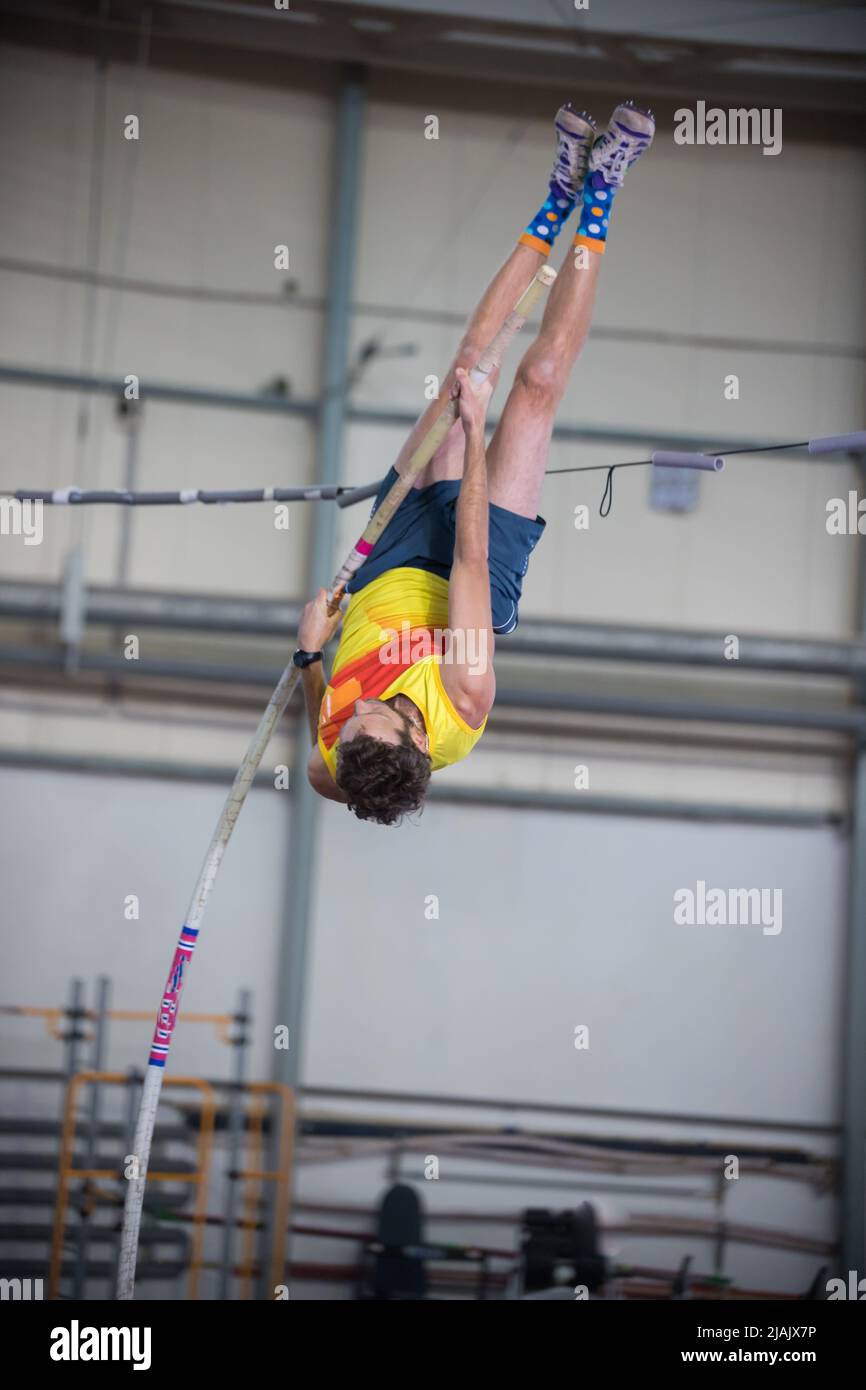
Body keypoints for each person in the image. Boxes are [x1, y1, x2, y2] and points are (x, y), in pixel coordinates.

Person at [295, 101, 654, 825]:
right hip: (475, 575)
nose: (358, 696)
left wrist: (309, 659)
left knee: (465, 368)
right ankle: (603, 193)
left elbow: (321, 760)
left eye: (349, 713)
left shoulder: (342, 761)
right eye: (378, 708)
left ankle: (558, 194)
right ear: (419, 736)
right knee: (535, 384)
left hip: (387, 560)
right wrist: (475, 424)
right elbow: (469, 556)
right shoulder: (464, 693)